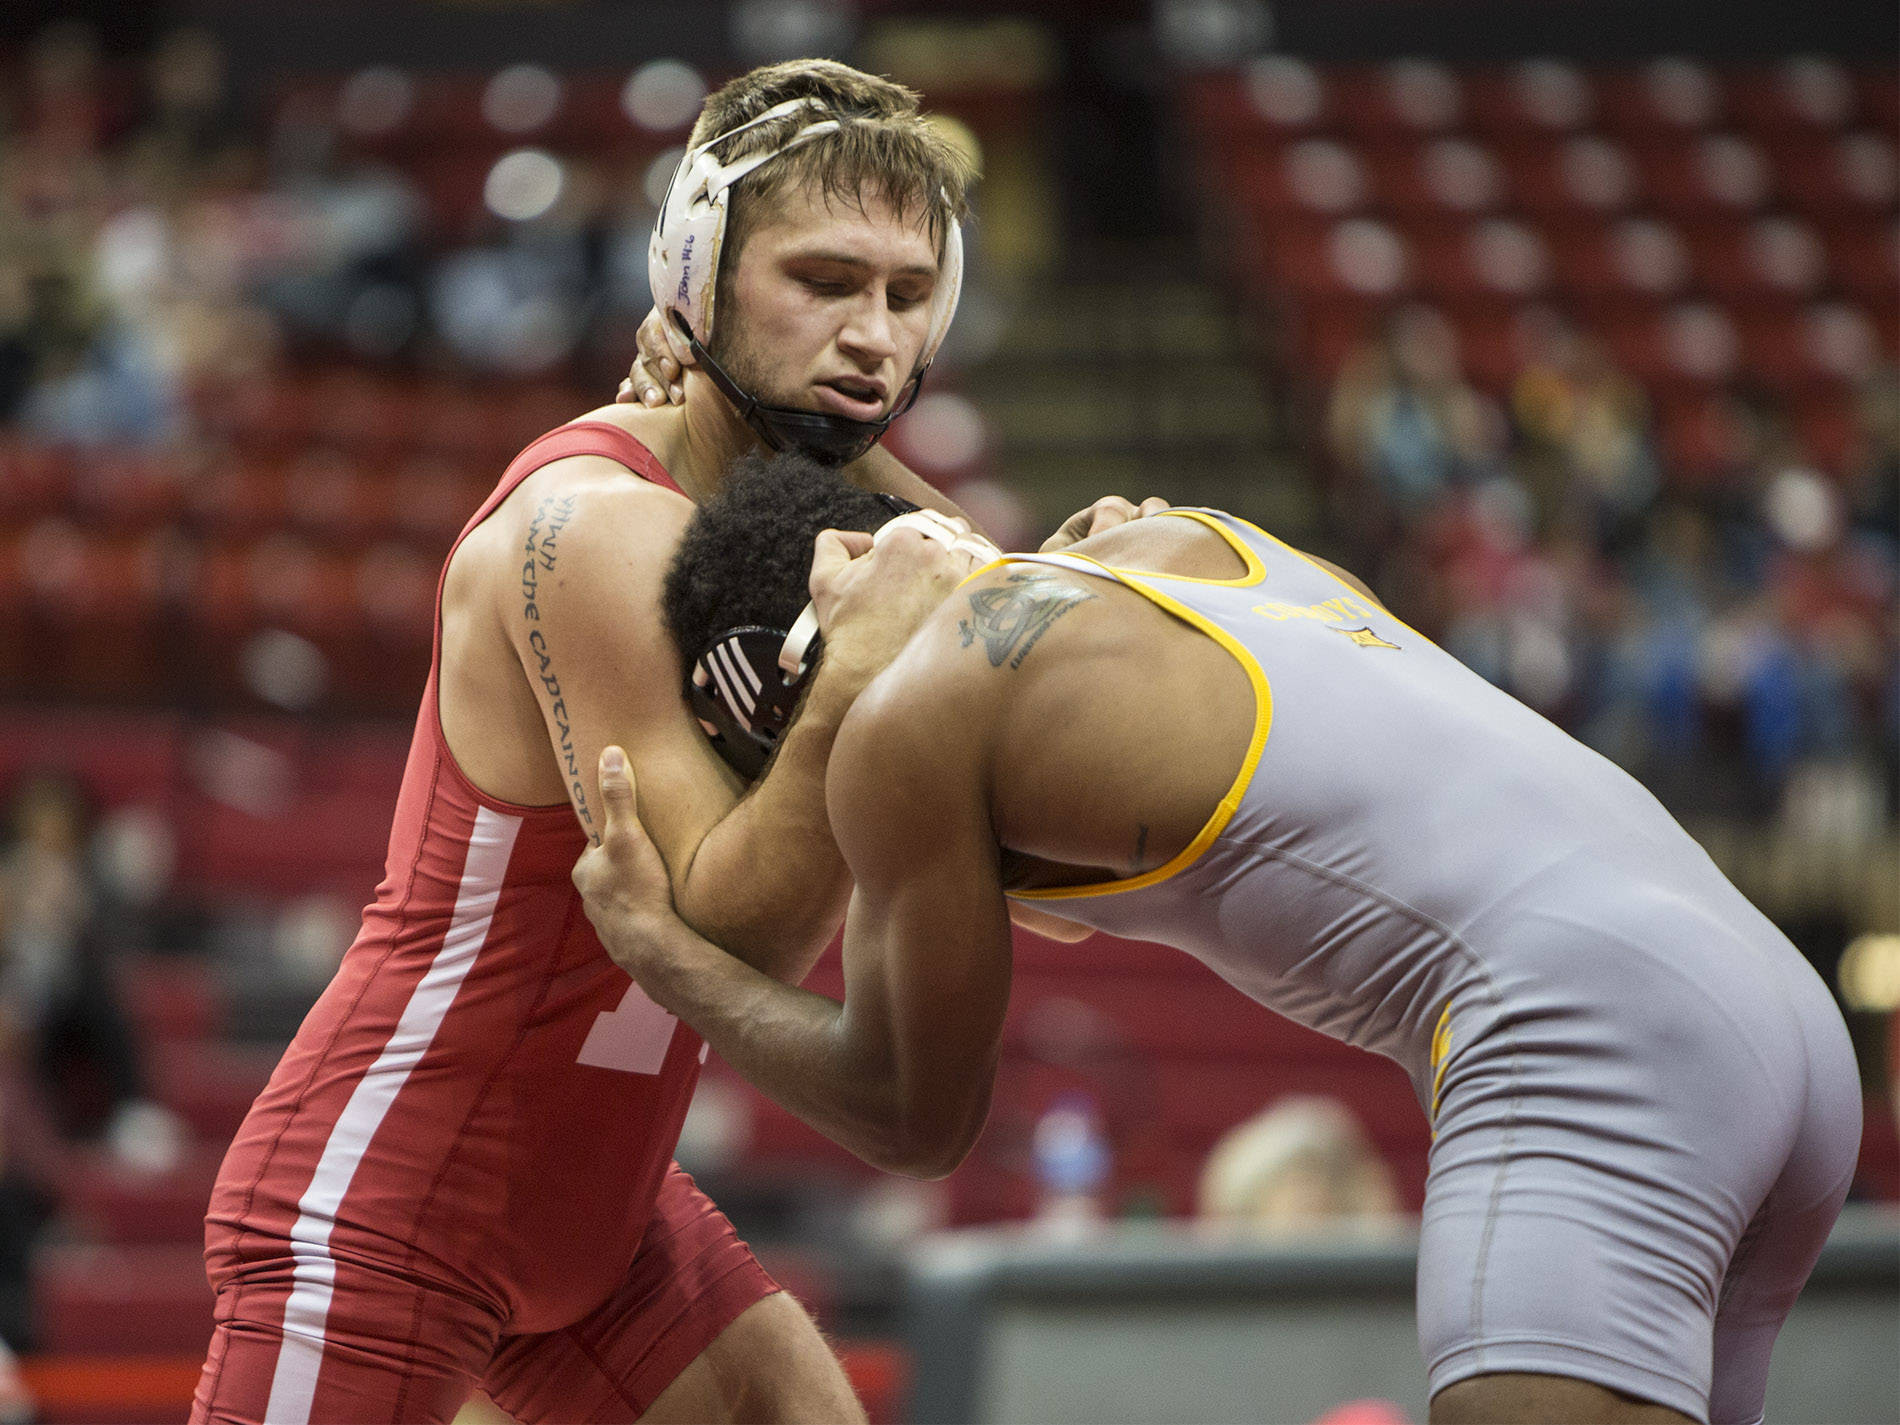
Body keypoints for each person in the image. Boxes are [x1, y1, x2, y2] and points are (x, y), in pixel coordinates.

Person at [573, 454, 1863, 1425]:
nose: (812, 820)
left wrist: (662, 951)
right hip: (1786, 1022)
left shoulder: (907, 721)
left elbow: (912, 1116)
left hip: (1592, 1025)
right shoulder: (1188, 542)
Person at [194, 59, 991, 1425]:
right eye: (823, 281)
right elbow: (730, 938)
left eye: (908, 296)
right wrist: (861, 675)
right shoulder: (594, 526)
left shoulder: (807, 529)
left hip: (596, 1212)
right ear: (696, 276)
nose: (871, 335)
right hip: (394, 1198)